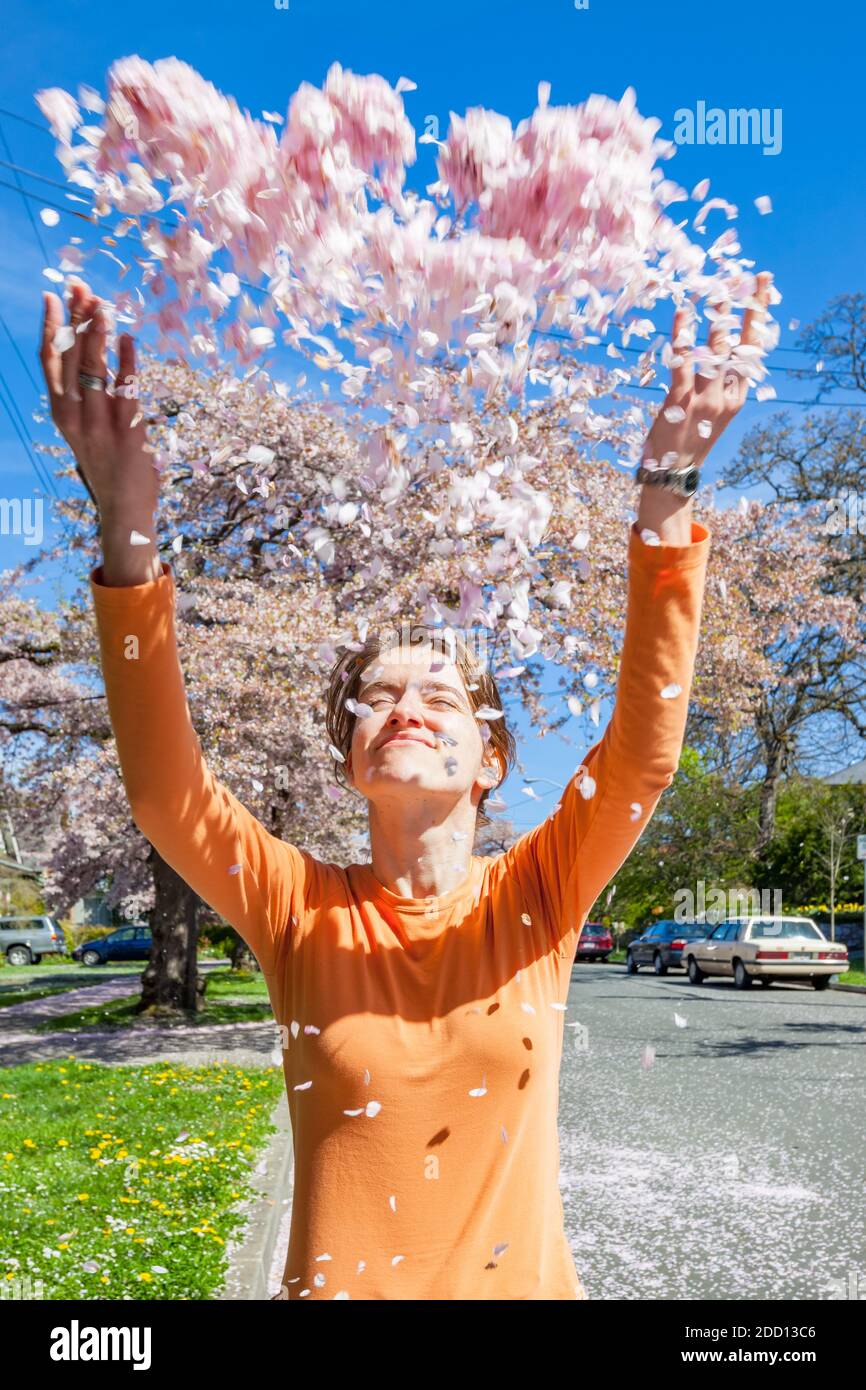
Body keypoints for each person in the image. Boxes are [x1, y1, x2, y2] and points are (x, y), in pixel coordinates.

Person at [38, 272, 771, 1300]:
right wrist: (126, 528)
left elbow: (643, 757)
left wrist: (664, 498)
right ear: (350, 761)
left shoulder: (538, 895)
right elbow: (168, 796)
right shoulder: (298, 910)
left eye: (440, 692)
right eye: (375, 696)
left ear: (491, 761)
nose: (405, 706)